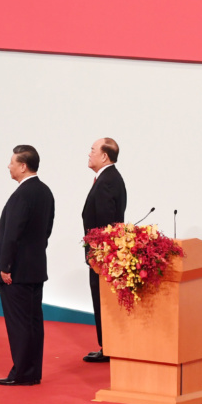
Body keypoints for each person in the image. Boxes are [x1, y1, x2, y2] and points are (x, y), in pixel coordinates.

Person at [0, 144, 54, 387]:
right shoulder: (45, 192)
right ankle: (31, 371)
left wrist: (5, 266)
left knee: (19, 323)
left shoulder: (22, 194)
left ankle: (21, 373)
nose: (9, 166)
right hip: (35, 268)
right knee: (33, 322)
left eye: (12, 162)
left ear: (23, 165)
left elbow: (12, 234)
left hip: (16, 272)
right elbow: (46, 230)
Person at [81, 137, 127, 364]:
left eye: (92, 150)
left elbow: (106, 224)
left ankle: (109, 347)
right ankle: (107, 345)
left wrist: (98, 254)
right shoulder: (108, 178)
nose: (89, 154)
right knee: (101, 300)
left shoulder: (108, 181)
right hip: (103, 254)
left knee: (103, 300)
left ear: (104, 156)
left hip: (103, 256)